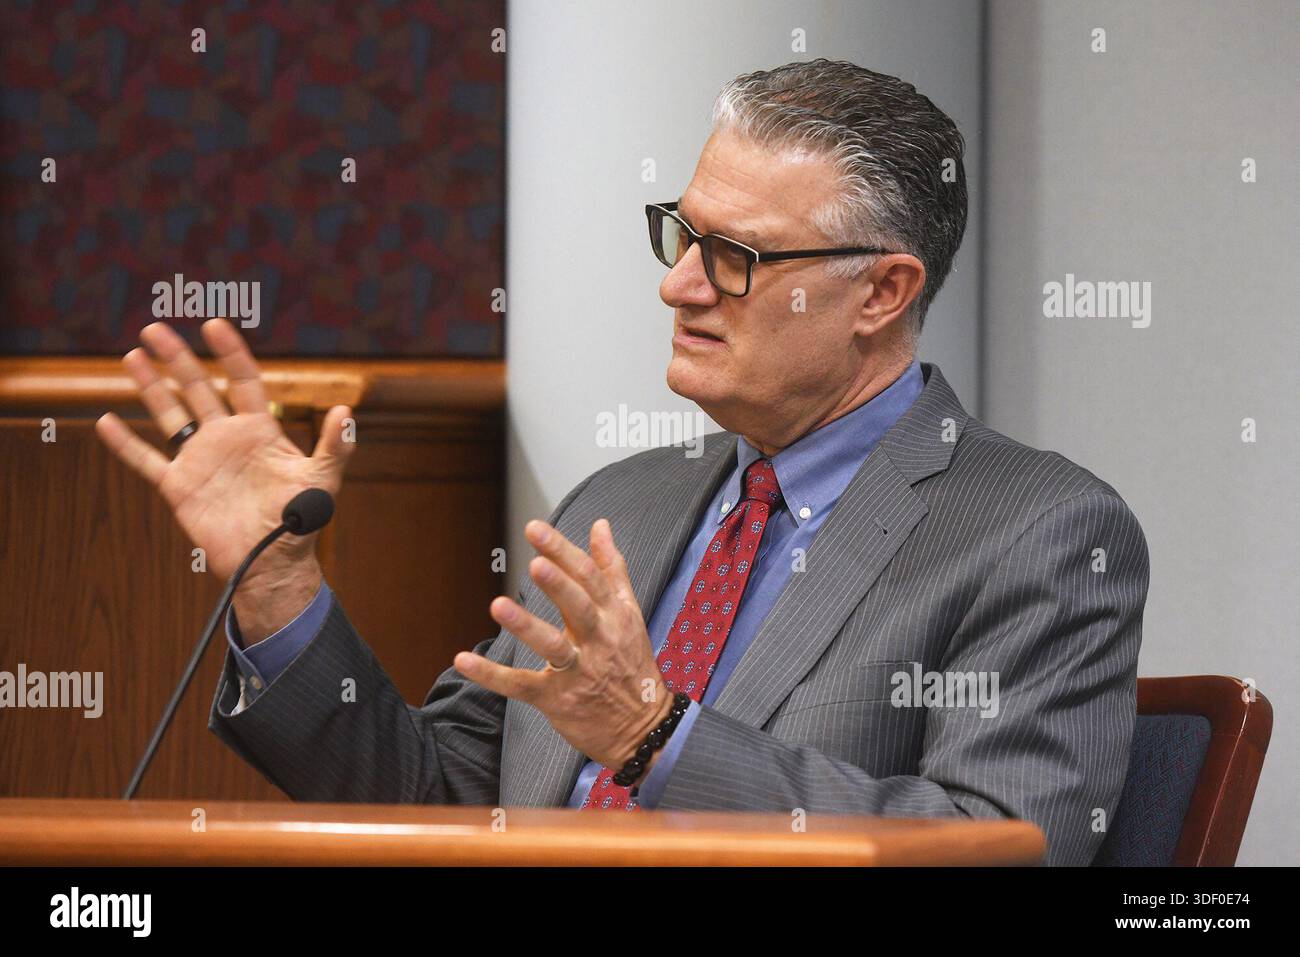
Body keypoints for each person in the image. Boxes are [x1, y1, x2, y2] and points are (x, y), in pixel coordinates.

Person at [96, 59, 1148, 865]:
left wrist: (657, 739)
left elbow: (1008, 845)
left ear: (880, 292)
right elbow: (439, 808)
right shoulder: (626, 504)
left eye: (733, 257)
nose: (679, 286)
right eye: (682, 236)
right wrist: (281, 594)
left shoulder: (1037, 531)